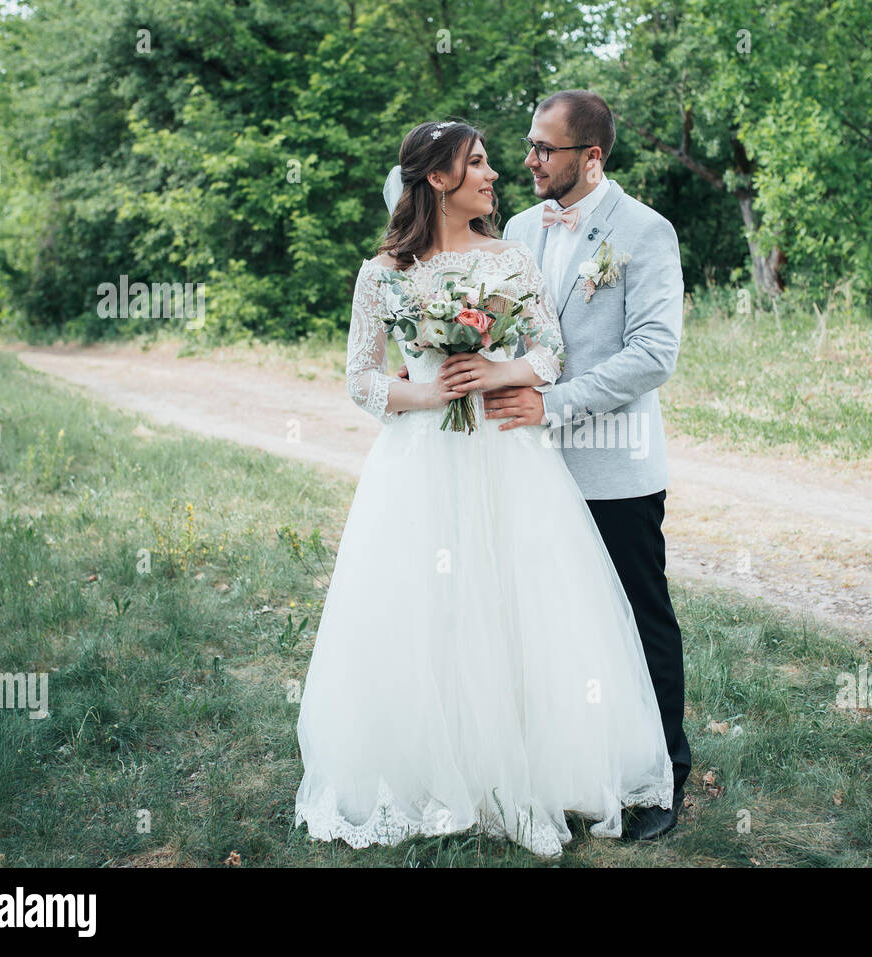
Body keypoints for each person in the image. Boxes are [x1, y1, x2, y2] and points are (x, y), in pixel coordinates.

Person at [292, 119, 673, 859]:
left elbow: (551, 352)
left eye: (496, 162)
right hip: (419, 464)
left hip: (506, 455)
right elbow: (361, 379)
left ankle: (526, 770)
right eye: (479, 163)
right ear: (437, 178)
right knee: (427, 608)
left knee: (517, 603)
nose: (497, 173)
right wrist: (430, 393)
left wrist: (497, 372)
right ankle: (436, 769)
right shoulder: (383, 274)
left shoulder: (511, 256)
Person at [487, 90, 690, 841]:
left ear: (591, 157)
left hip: (615, 471)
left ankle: (662, 779)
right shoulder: (513, 229)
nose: (529, 160)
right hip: (529, 467)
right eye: (531, 144)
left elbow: (652, 353)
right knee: (553, 625)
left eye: (545, 149)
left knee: (638, 622)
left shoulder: (645, 231)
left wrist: (556, 404)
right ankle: (575, 770)